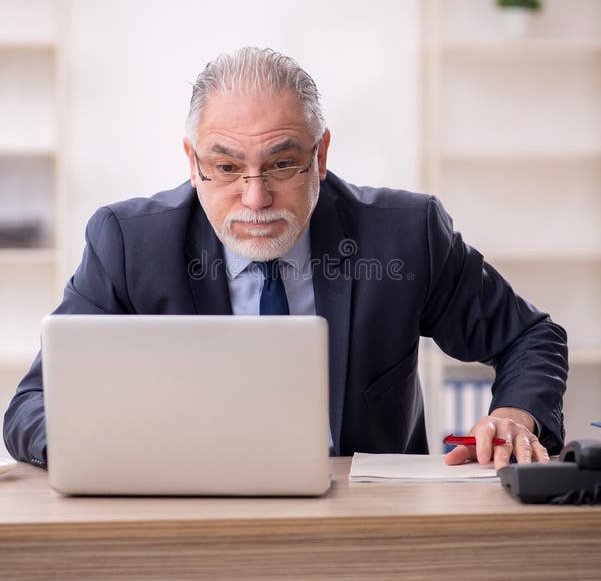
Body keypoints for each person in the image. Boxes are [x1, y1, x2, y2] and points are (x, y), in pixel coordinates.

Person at [4, 47, 568, 469]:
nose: (255, 198)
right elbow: (33, 406)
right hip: (185, 517)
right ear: (192, 161)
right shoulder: (129, 243)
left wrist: (514, 416)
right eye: (226, 167)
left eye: (281, 164)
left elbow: (530, 336)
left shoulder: (404, 234)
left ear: (320, 155)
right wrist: (114, 449)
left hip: (366, 527)